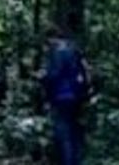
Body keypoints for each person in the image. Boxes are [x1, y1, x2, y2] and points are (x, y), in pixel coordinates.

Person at [40, 25, 91, 165]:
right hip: (77, 96)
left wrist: (42, 79)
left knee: (64, 135)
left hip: (61, 96)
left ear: (50, 38)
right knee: (75, 133)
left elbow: (53, 75)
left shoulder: (56, 51)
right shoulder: (74, 49)